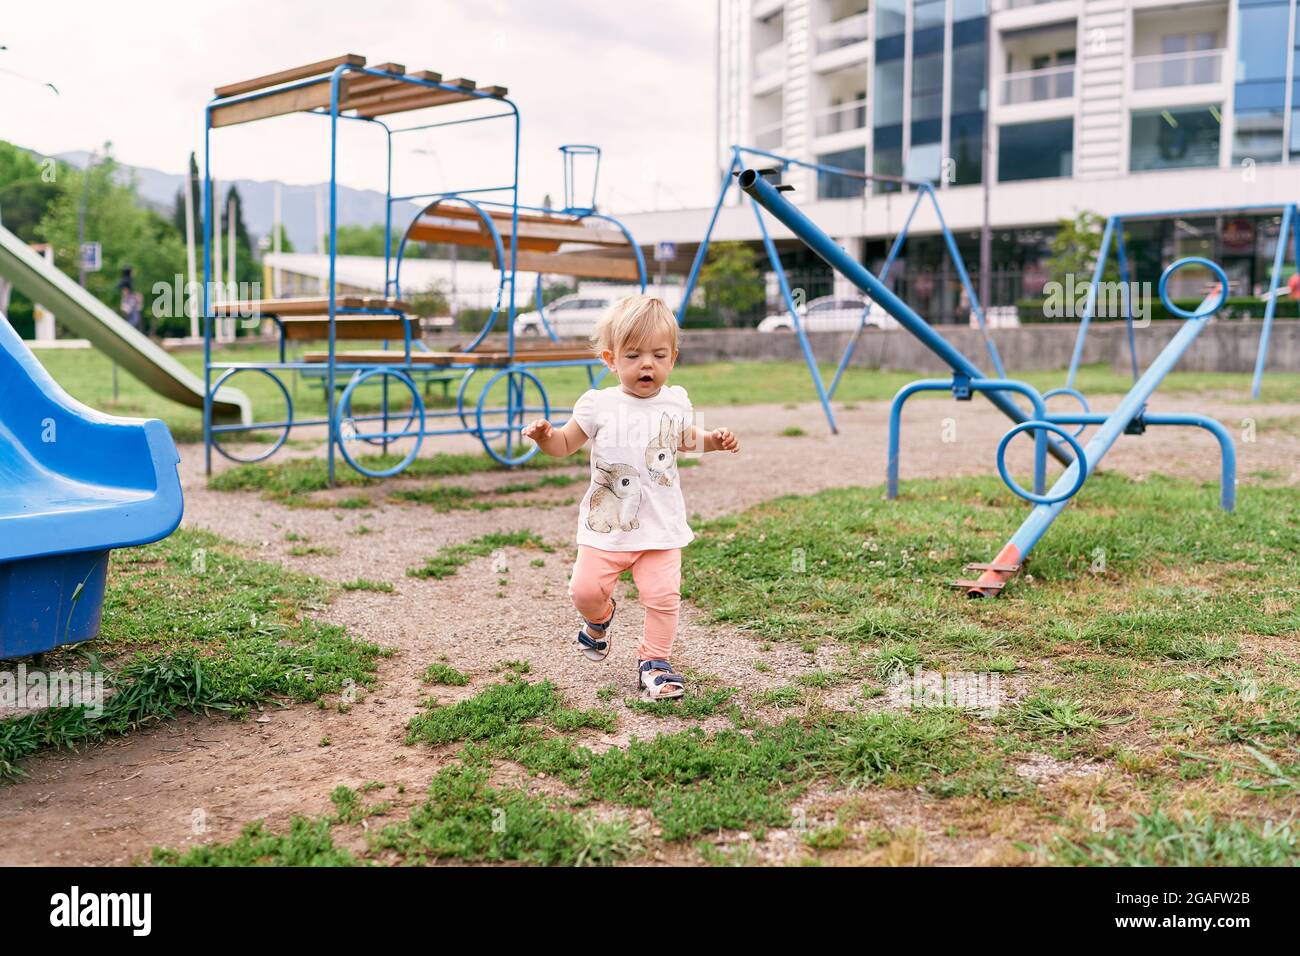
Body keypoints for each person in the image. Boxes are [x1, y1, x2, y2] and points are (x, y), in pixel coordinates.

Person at [521, 295, 740, 701]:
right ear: (610, 359)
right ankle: (599, 620)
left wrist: (715, 441)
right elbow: (565, 444)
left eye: (658, 355)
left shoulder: (675, 401)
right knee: (583, 591)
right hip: (607, 525)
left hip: (659, 527)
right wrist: (546, 438)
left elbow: (687, 440)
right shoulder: (598, 404)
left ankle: (655, 663)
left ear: (673, 358)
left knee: (662, 598)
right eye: (634, 355)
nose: (647, 365)